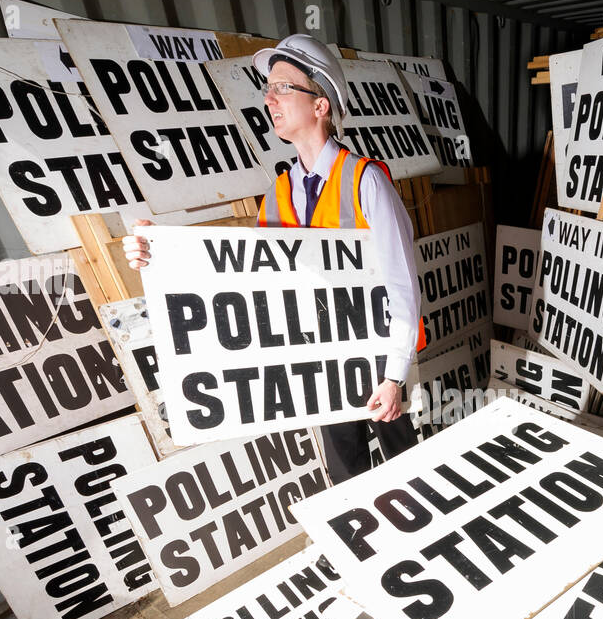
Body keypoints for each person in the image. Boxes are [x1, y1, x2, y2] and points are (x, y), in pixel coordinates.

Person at [123, 33, 422, 484]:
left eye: (283, 87)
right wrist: (159, 256)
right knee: (348, 478)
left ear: (320, 105)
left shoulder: (365, 180)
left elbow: (401, 282)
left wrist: (394, 376)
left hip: (378, 359)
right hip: (321, 362)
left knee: (409, 470)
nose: (269, 98)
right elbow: (254, 282)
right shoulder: (277, 196)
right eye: (269, 89)